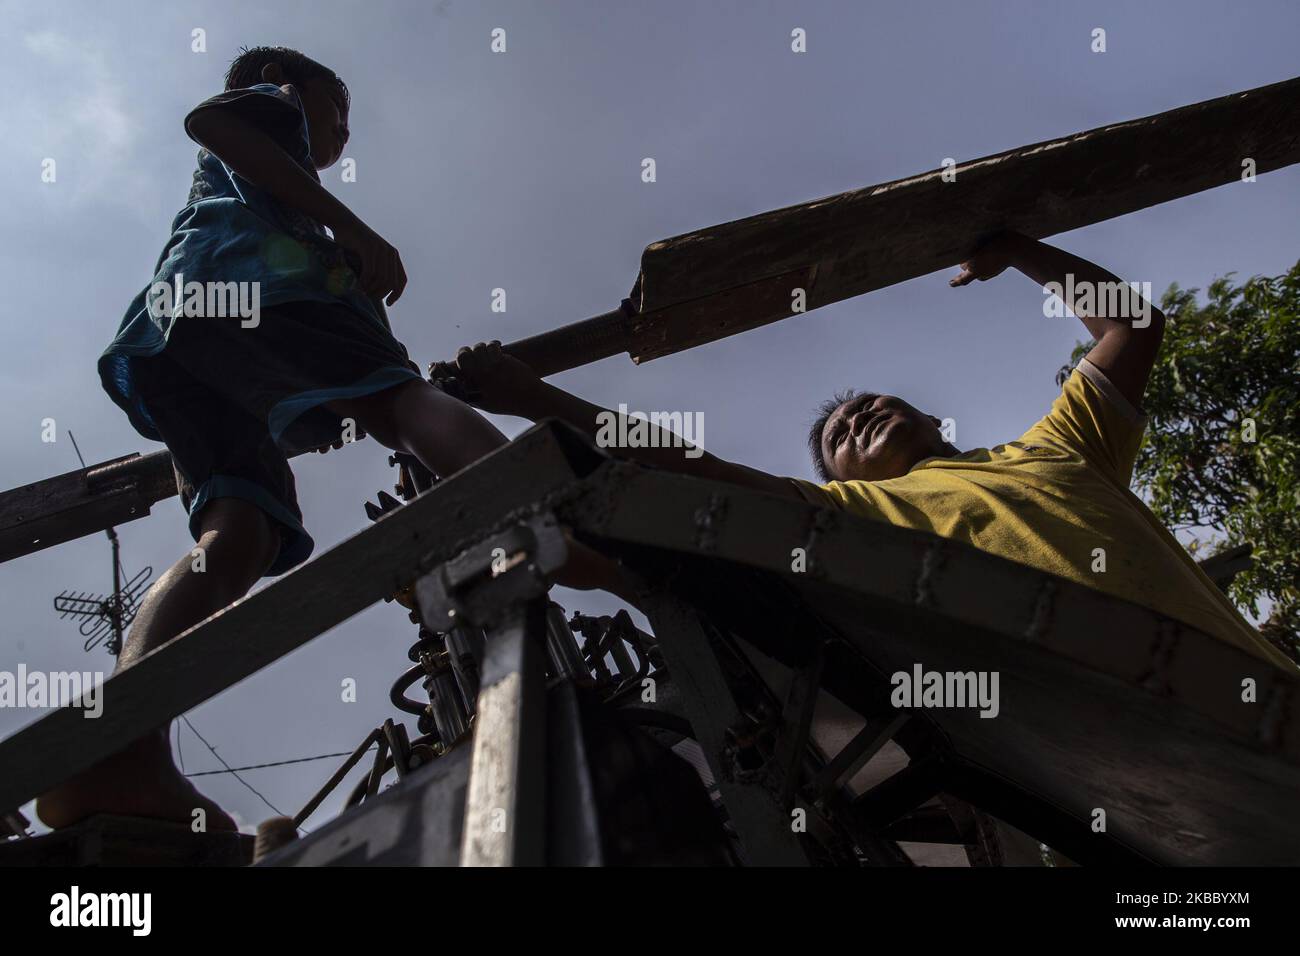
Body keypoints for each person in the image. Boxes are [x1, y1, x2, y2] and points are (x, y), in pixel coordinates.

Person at [455, 232, 1296, 673]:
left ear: (931, 417)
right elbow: (675, 462)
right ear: (839, 478)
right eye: (839, 435)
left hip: (1258, 693)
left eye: (870, 406)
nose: (859, 416)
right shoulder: (847, 516)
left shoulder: (1060, 448)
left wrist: (1018, 252)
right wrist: (532, 399)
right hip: (1114, 751)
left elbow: (1133, 326)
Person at [38, 47, 508, 830]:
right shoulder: (276, 101)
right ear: (301, 90)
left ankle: (119, 750)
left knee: (241, 530)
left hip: (184, 334)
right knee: (403, 399)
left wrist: (311, 406)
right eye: (340, 113)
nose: (344, 134)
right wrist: (354, 228)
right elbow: (214, 123)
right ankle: (539, 496)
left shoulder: (255, 191)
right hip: (258, 286)